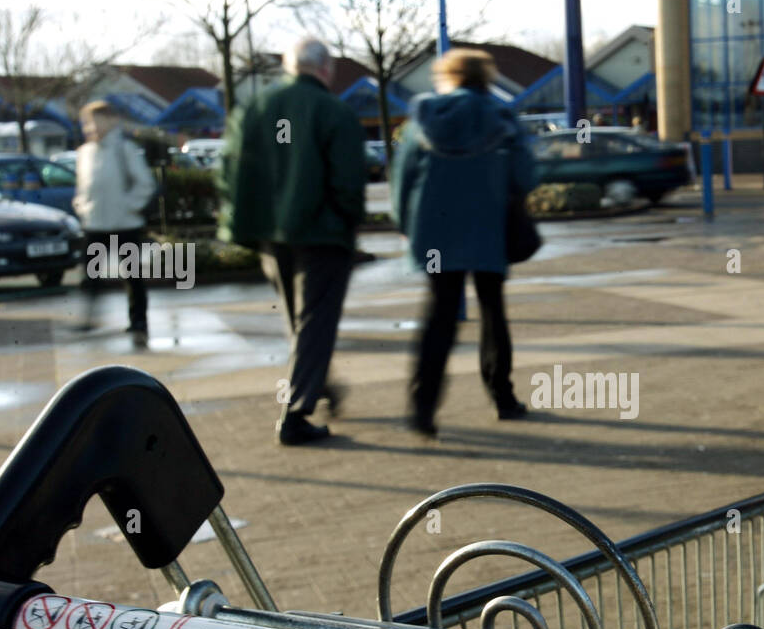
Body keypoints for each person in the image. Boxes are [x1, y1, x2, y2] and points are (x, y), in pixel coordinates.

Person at [218, 37, 367, 446]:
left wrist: (246, 217)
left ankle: (316, 385)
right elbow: (348, 180)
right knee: (315, 321)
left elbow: (228, 167)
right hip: (321, 234)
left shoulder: (253, 108)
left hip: (270, 233)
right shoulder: (333, 111)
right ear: (325, 69)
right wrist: (347, 220)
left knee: (296, 320)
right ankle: (296, 413)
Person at [391, 48, 537, 437]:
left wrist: (404, 223)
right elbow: (525, 175)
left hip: (436, 233)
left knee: (439, 317)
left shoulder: (424, 116)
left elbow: (403, 179)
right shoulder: (501, 116)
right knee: (493, 311)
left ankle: (423, 410)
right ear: (484, 78)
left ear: (449, 77)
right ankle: (503, 399)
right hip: (488, 229)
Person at [72, 101, 158, 346]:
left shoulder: (125, 150)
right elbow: (82, 186)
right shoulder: (84, 153)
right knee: (90, 275)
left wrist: (128, 206)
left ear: (111, 121)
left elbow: (145, 184)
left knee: (132, 277)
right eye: (85, 123)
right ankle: (87, 319)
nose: (90, 128)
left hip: (125, 225)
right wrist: (81, 206)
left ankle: (138, 321)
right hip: (95, 224)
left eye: (94, 121)